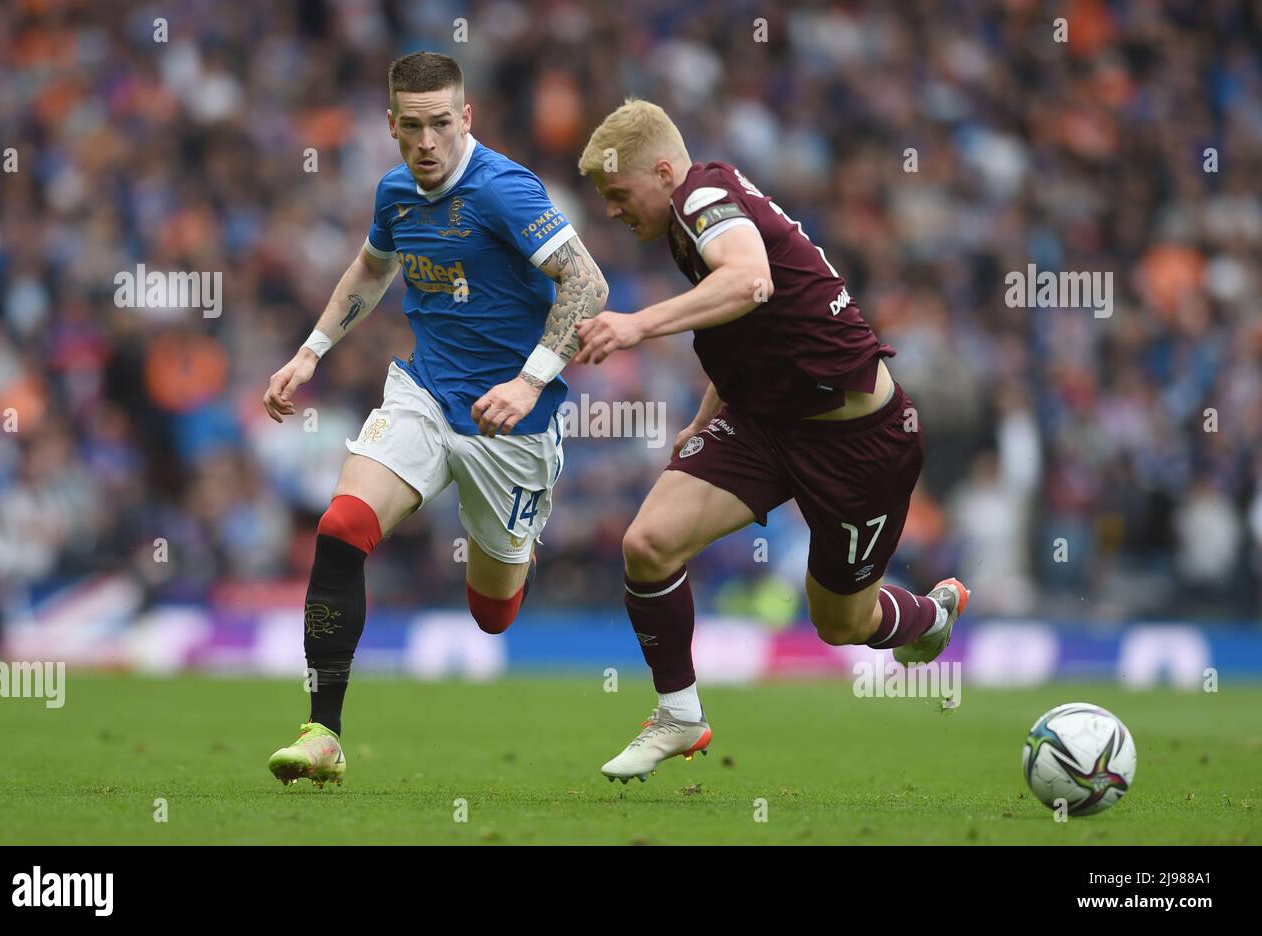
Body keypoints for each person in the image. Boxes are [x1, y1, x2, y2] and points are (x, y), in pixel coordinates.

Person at [574, 99, 968, 783]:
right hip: (764, 423)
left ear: (663, 171)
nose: (610, 209)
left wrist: (636, 326)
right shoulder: (690, 215)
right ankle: (679, 715)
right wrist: (707, 416)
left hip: (858, 442)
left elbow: (750, 282)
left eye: (617, 193)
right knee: (648, 543)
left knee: (841, 623)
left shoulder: (702, 197)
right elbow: (756, 326)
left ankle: (928, 616)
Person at [261, 52, 607, 788]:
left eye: (441, 124)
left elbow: (588, 281)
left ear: (467, 117)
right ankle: (323, 730)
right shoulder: (394, 193)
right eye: (411, 127)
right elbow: (370, 269)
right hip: (424, 392)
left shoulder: (505, 191)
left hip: (511, 425)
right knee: (341, 527)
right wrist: (311, 352)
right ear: (391, 125)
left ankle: (516, 550)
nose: (427, 142)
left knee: (492, 613)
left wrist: (529, 380)